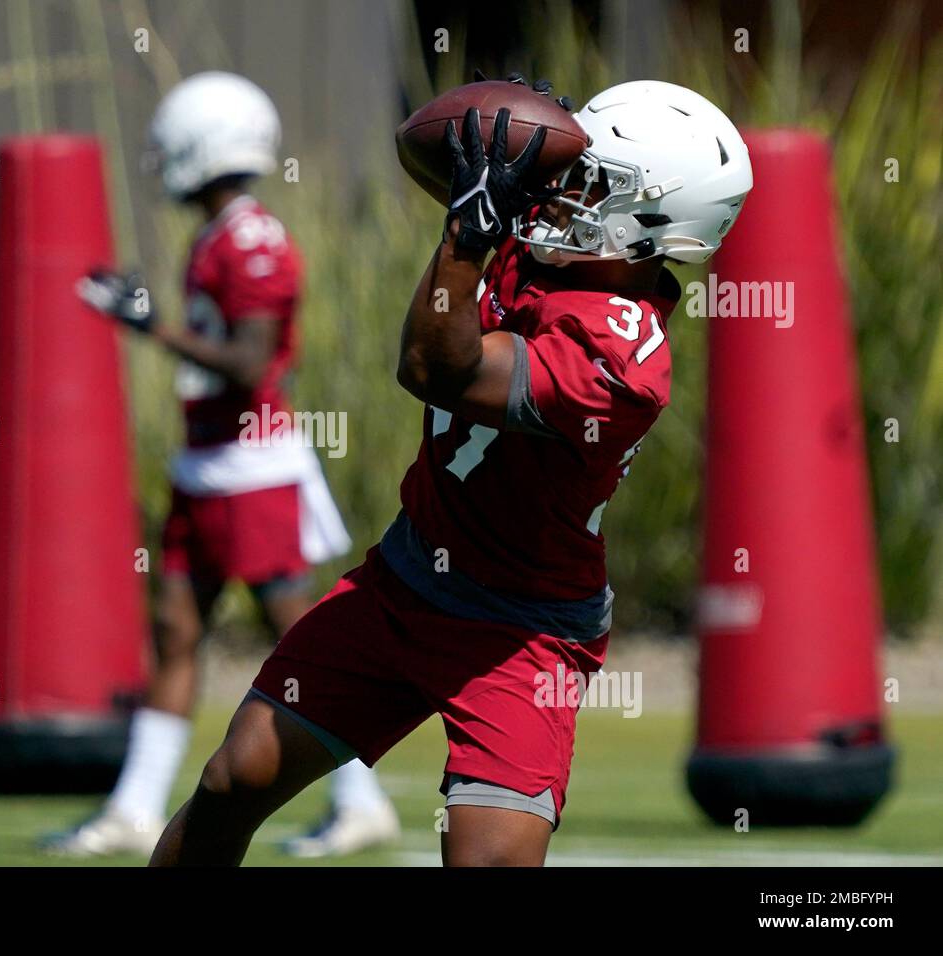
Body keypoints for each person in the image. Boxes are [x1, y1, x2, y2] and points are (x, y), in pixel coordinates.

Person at [149, 77, 753, 866]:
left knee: (486, 863)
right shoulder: (540, 252)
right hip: (405, 579)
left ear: (652, 221)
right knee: (236, 776)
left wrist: (467, 237)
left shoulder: (621, 354)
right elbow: (435, 159)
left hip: (521, 632)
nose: (560, 191)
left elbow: (438, 367)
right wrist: (492, 140)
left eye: (587, 181)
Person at [39, 71, 399, 859]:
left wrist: (152, 329)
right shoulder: (216, 235)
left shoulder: (252, 242)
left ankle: (360, 797)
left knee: (299, 634)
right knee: (174, 630)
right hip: (206, 462)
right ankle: (135, 805)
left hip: (253, 465)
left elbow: (249, 363)